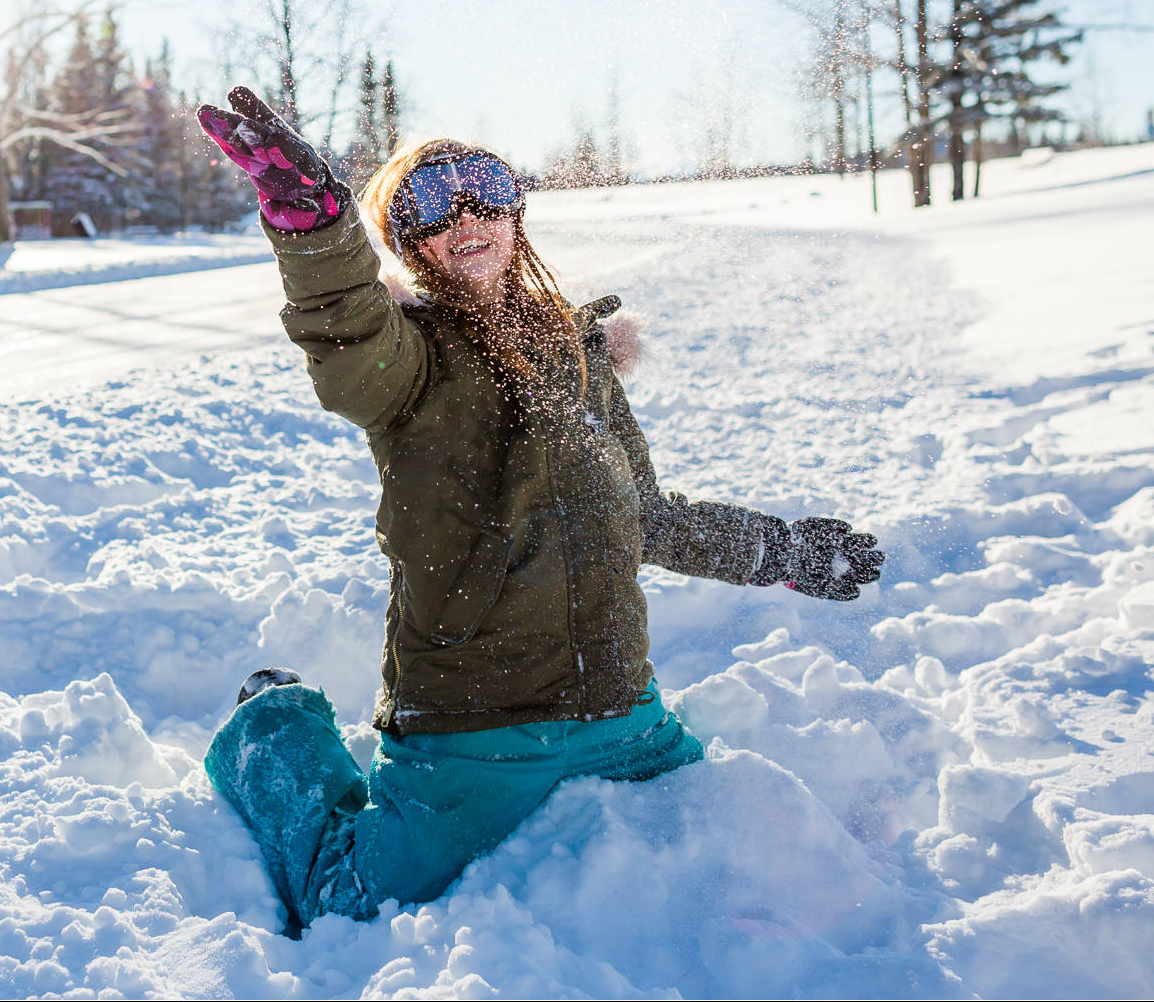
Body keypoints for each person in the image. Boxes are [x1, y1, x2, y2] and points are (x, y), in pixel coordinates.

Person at [194, 87, 885, 933]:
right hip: (477, 733)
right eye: (430, 203)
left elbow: (652, 518)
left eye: (485, 186)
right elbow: (346, 334)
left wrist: (779, 551)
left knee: (742, 848)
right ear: (411, 243)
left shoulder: (582, 358)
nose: (465, 213)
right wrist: (315, 227)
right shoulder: (406, 364)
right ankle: (275, 720)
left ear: (518, 212)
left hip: (625, 719)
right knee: (344, 896)